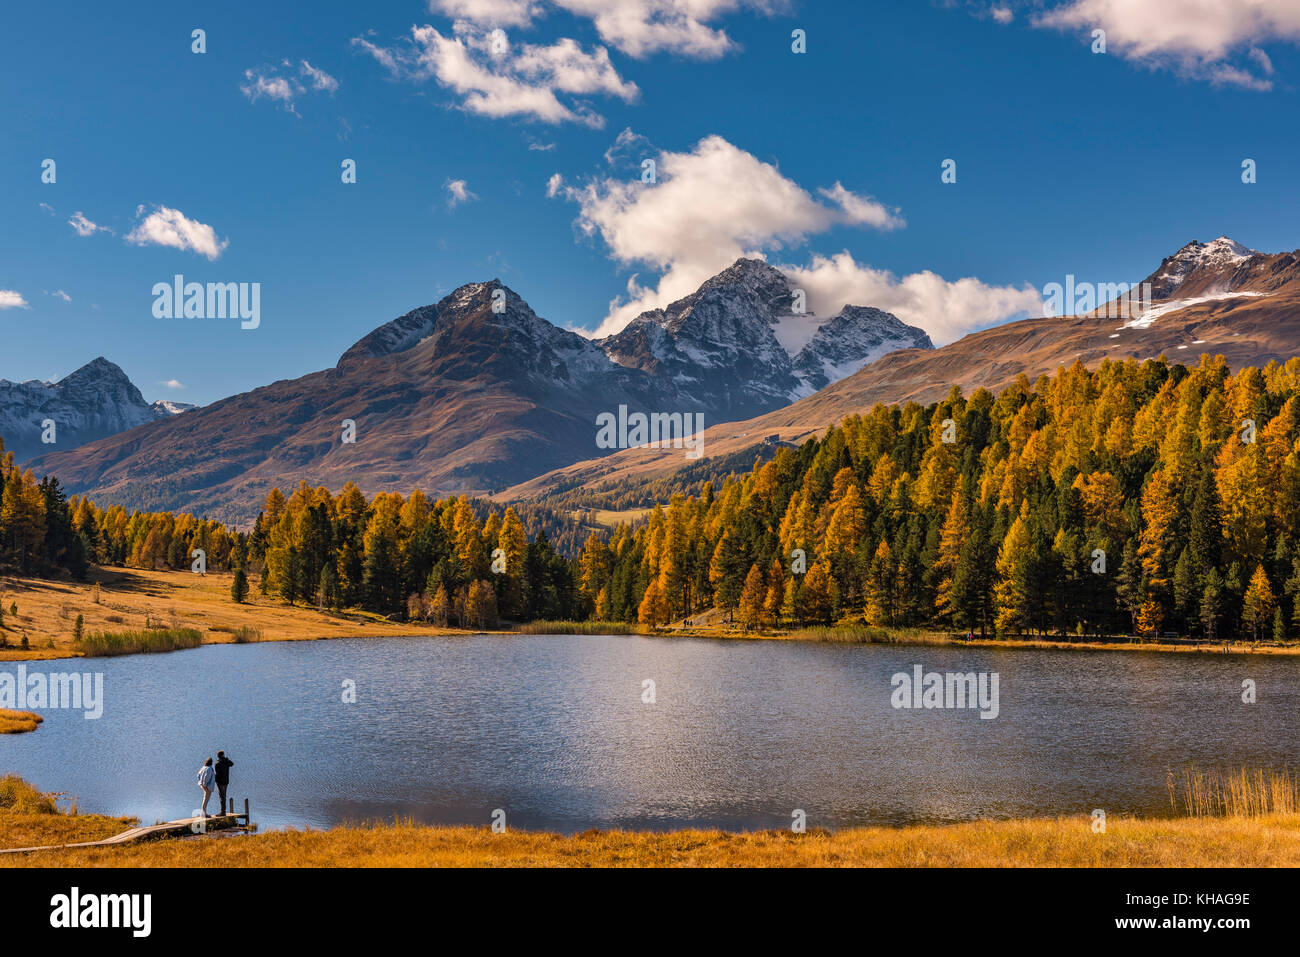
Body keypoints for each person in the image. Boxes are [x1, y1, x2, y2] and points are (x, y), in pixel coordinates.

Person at [214, 750, 234, 815]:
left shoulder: (217, 763)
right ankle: (223, 811)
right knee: (224, 796)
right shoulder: (226, 762)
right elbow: (232, 764)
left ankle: (223, 812)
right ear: (223, 755)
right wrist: (227, 759)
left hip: (220, 782)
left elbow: (217, 773)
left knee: (222, 796)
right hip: (226, 781)